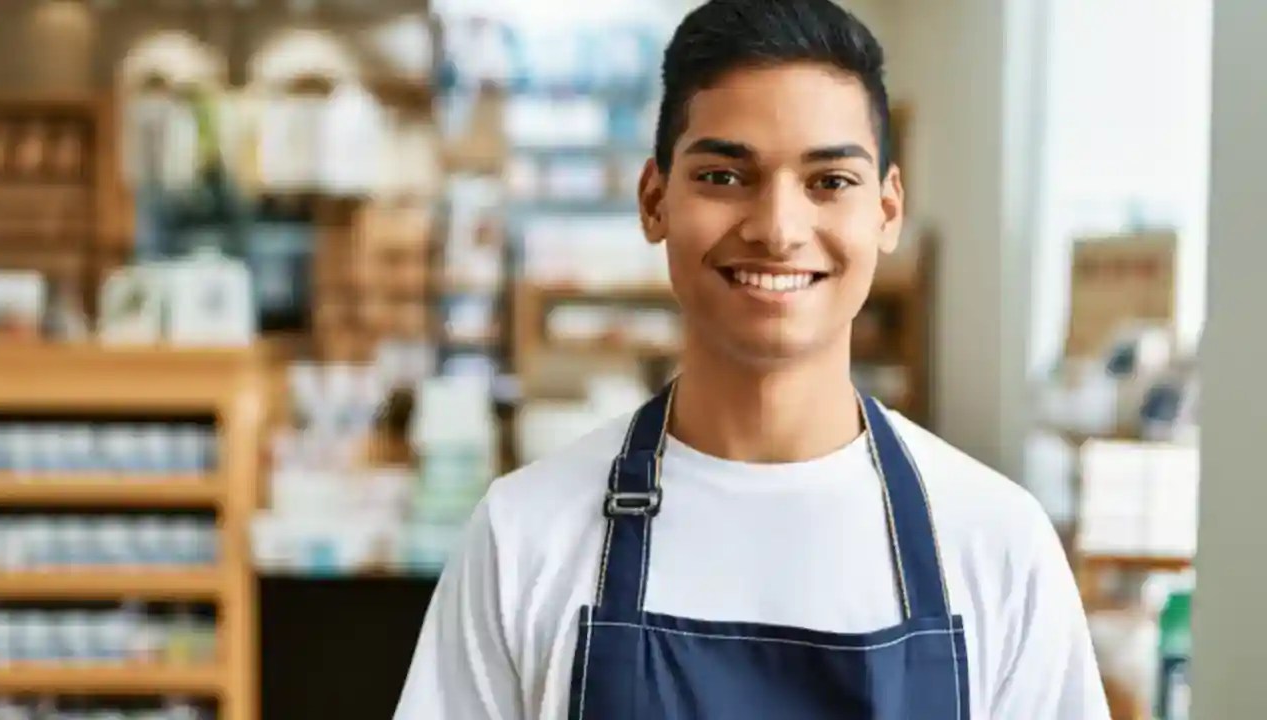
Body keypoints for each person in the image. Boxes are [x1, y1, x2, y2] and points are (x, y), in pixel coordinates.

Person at [394, 0, 1110, 717]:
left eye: (829, 182)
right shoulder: (525, 537)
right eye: (724, 177)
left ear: (886, 213)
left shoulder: (997, 547)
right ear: (654, 201)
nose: (777, 229)